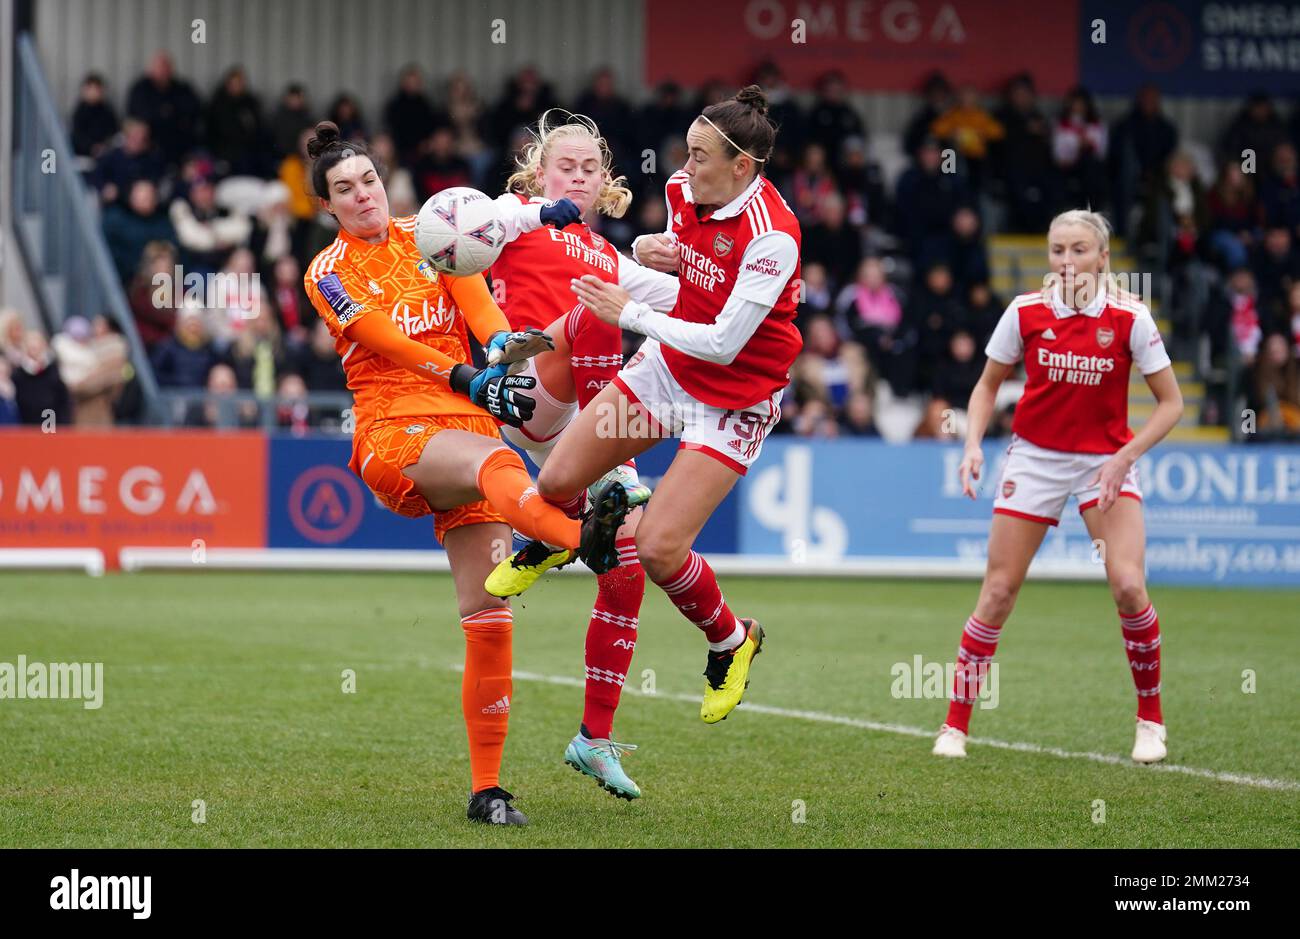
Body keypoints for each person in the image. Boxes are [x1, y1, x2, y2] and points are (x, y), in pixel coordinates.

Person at [300, 121, 627, 826]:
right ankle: (574, 534)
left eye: (368, 181)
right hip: (395, 429)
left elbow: (479, 302)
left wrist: (502, 347)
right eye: (344, 190)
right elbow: (383, 339)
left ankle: (488, 791)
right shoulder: (326, 269)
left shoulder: (433, 232)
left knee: (489, 616)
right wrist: (464, 375)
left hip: (464, 417)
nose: (362, 196)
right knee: (499, 464)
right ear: (326, 205)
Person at [491, 86, 802, 728]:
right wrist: (649, 253)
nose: (683, 168)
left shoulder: (775, 239)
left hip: (735, 396)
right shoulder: (687, 191)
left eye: (699, 156)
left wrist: (627, 312)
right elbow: (690, 279)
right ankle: (560, 543)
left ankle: (731, 641)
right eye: (684, 153)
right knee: (556, 480)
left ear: (743, 167)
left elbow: (721, 342)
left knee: (659, 550)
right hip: (669, 371)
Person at [934, 209, 1183, 764]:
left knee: (1127, 586)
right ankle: (954, 727)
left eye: (1078, 250)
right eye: (1057, 251)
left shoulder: (1130, 317)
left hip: (1104, 461)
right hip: (1036, 457)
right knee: (998, 593)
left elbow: (1173, 404)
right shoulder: (1024, 312)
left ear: (1102, 258)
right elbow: (985, 387)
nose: (1066, 262)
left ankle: (1150, 721)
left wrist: (1126, 456)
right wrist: (973, 443)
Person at [485, 110, 680, 800]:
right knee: (596, 311)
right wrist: (540, 209)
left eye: (589, 169)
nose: (576, 175)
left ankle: (593, 739)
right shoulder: (511, 214)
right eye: (564, 165)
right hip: (524, 387)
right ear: (540, 173)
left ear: (605, 183)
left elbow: (683, 302)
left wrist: (686, 260)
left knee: (625, 569)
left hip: (576, 418)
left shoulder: (605, 253)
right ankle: (582, 494)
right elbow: (473, 229)